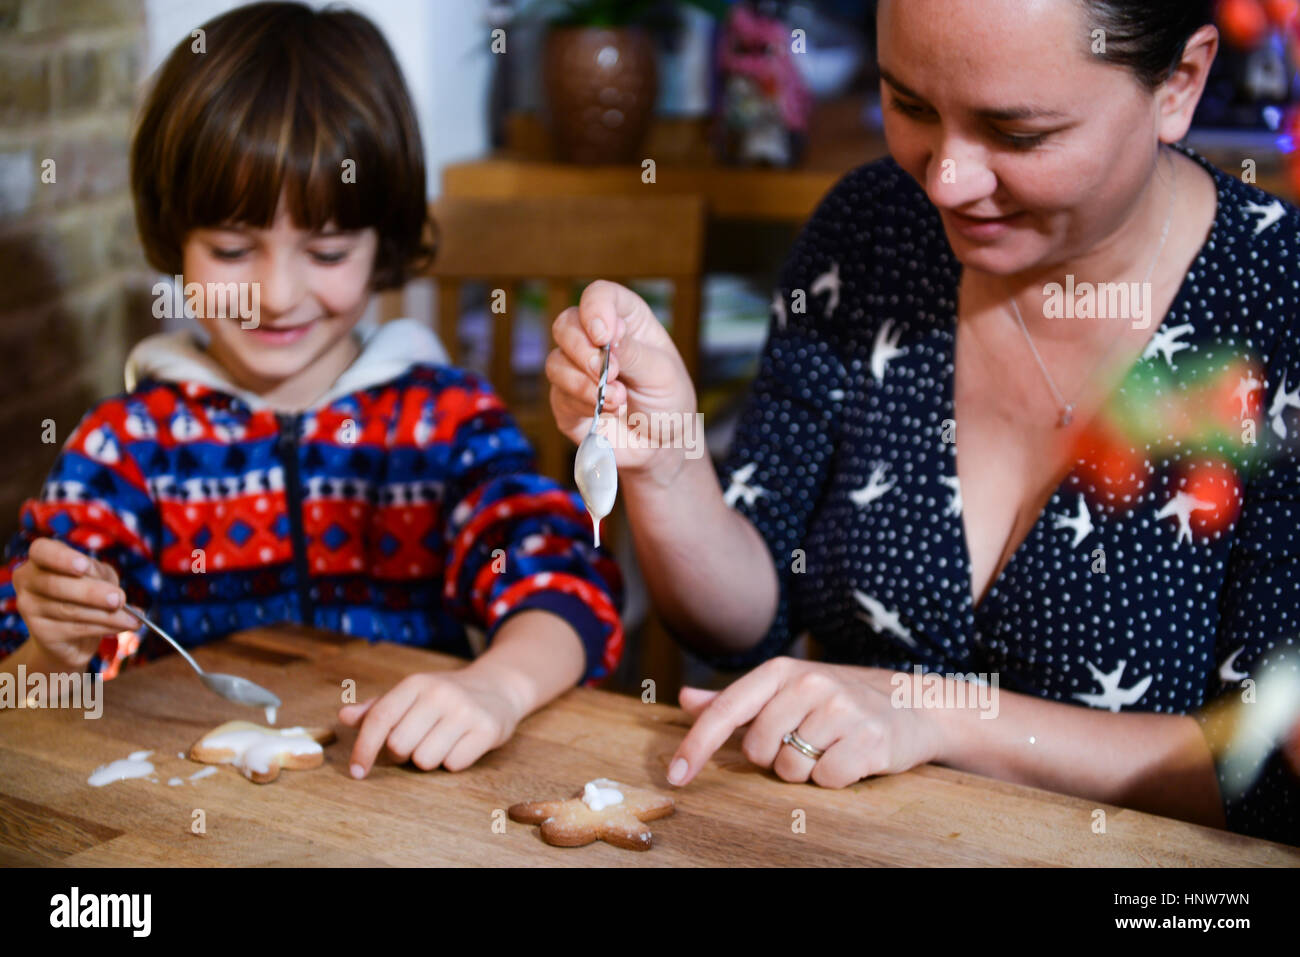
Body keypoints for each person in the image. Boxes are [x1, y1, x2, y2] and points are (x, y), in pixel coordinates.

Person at [546, 0, 1300, 846]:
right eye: (909, 107)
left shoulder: (1277, 303)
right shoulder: (870, 233)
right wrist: (671, 464)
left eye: (1017, 134)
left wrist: (932, 713)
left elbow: (1267, 772)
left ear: (1181, 84)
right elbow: (742, 621)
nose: (944, 179)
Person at [0, 2, 624, 779]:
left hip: (400, 812)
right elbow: (21, 697)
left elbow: (565, 582)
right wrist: (51, 647)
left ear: (383, 242)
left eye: (326, 250)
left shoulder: (447, 423)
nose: (276, 293)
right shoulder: (125, 449)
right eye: (232, 248)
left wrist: (495, 686)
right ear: (173, 237)